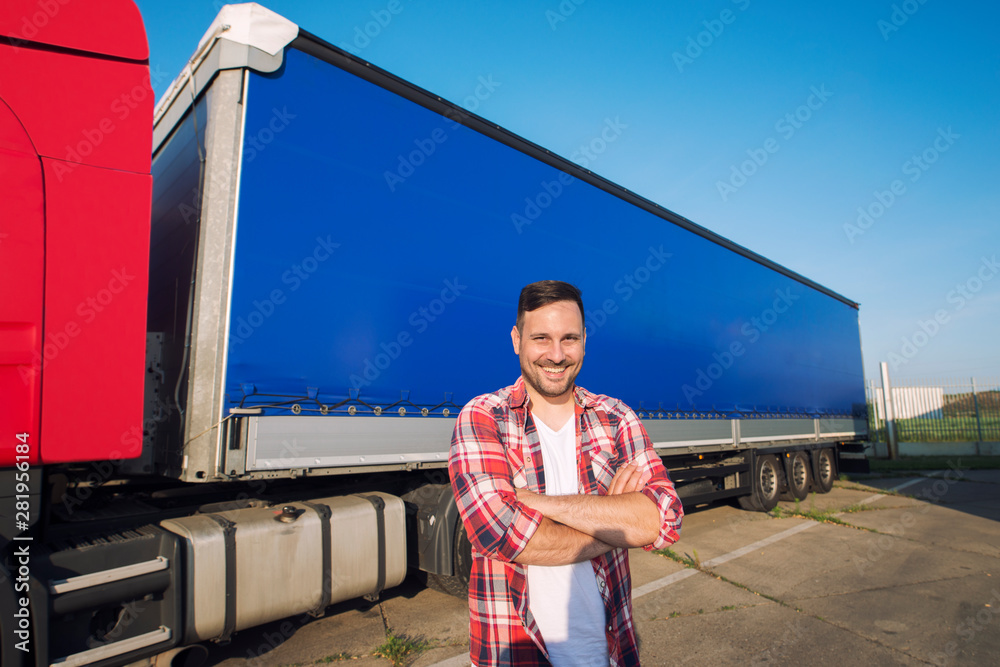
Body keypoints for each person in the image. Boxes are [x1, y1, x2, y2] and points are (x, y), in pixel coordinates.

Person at [449, 280, 683, 667]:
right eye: (541, 338)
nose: (556, 355)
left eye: (569, 338)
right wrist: (616, 522)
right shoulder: (483, 417)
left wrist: (535, 503)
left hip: (607, 654)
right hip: (514, 654)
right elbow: (499, 533)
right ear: (516, 339)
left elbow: (665, 519)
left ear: (585, 340)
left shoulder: (615, 417)